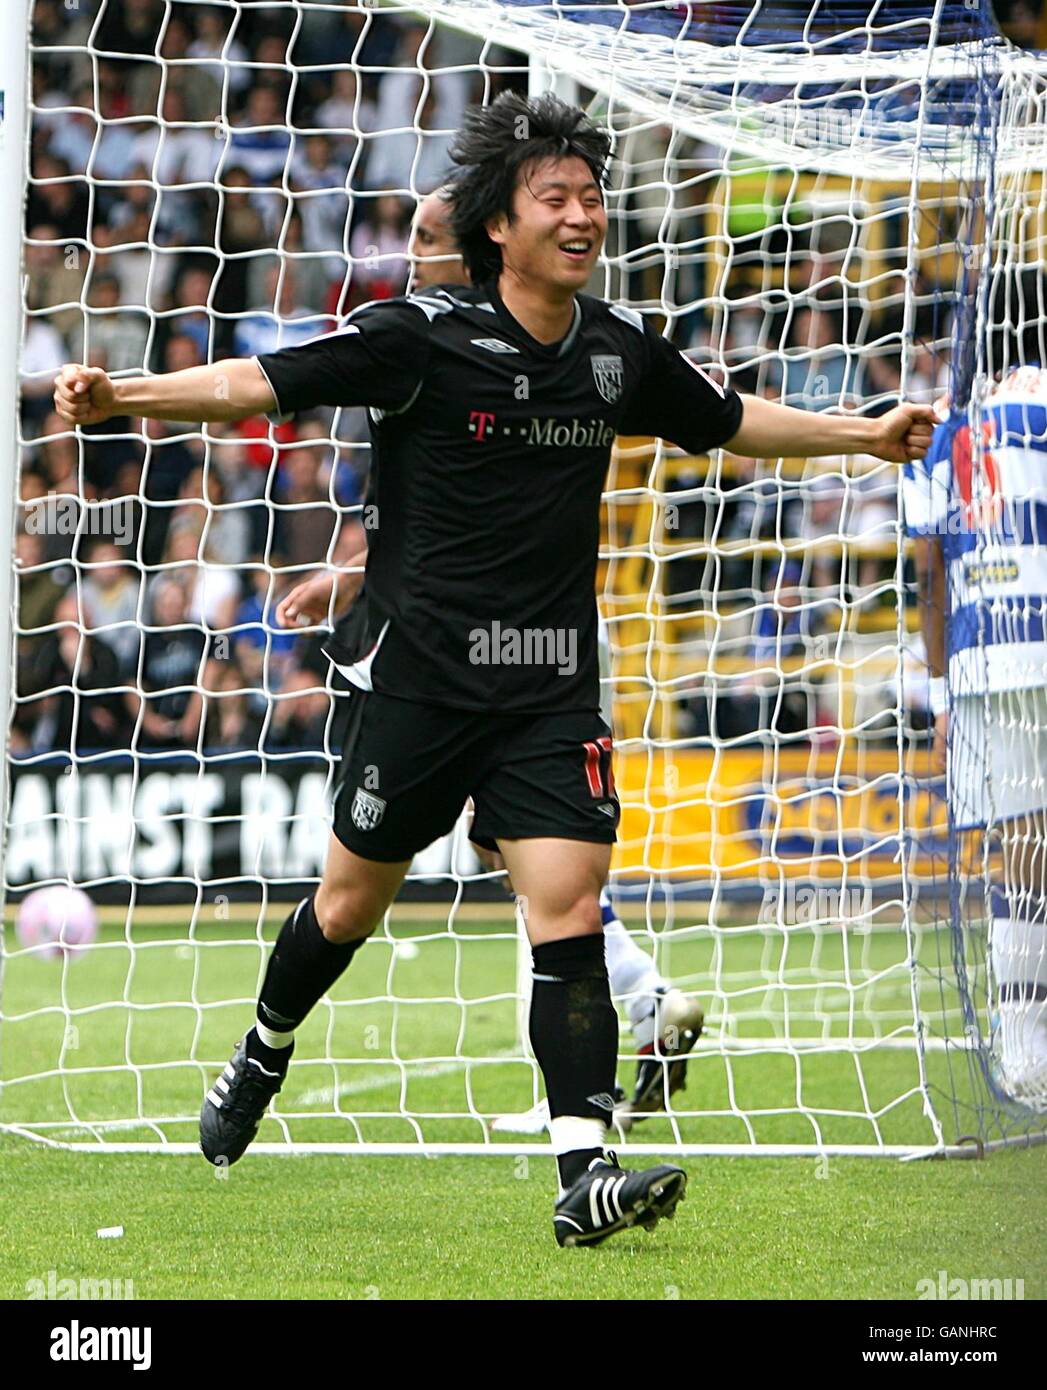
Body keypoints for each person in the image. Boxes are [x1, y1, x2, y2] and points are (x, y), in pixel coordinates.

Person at [54, 92, 935, 1246]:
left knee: (564, 909)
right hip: (418, 685)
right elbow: (264, 382)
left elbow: (726, 421)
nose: (583, 217)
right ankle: (262, 1051)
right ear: (499, 227)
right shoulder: (418, 337)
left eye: (590, 197)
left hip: (549, 686)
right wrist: (130, 395)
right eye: (554, 199)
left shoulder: (616, 352)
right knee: (347, 905)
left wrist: (864, 434)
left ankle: (583, 1172)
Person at [281, 185, 704, 1126]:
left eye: (429, 238)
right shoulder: (428, 346)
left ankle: (598, 1056)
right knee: (521, 863)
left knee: (525, 865)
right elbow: (443, 521)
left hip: (512, 652)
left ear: (476, 243)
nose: (416, 252)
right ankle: (632, 1009)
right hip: (491, 635)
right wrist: (346, 576)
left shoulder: (476, 346)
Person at [903, 367, 1047, 1110]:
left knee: (1017, 853)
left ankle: (1022, 1052)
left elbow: (927, 570)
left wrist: (937, 693)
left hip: (984, 653)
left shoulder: (934, 426)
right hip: (1036, 626)